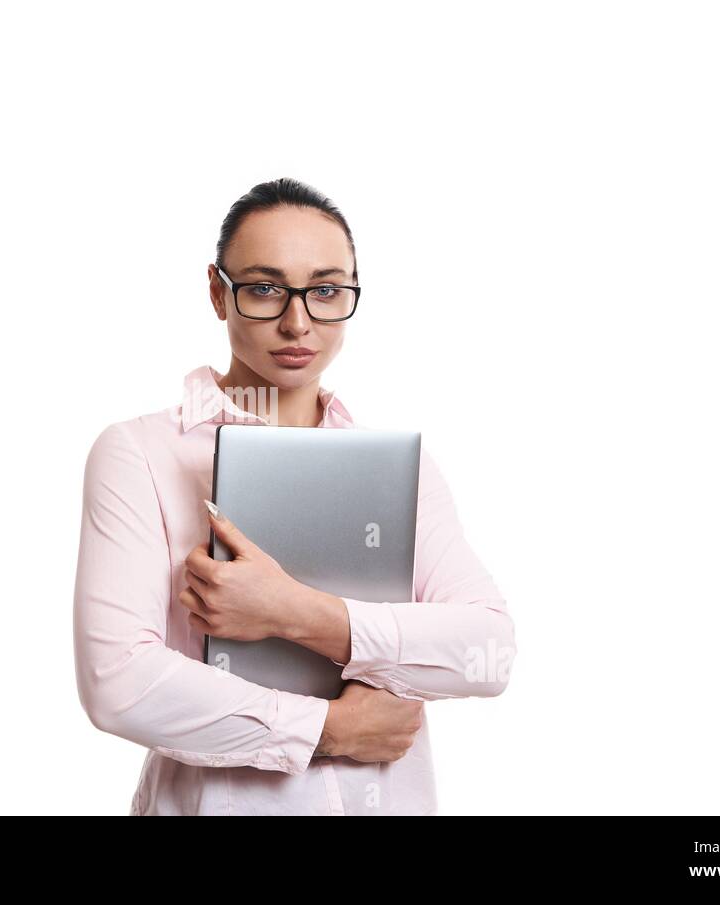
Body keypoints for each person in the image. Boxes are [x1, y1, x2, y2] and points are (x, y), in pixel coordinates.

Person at [72, 177, 516, 815]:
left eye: (326, 290)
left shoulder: (399, 472)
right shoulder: (140, 453)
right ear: (217, 293)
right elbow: (118, 683)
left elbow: (489, 651)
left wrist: (295, 613)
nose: (297, 321)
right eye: (264, 288)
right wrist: (328, 731)